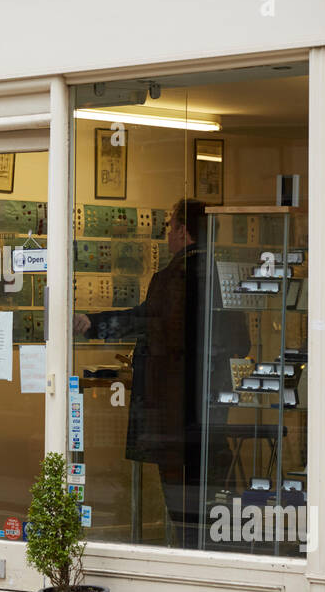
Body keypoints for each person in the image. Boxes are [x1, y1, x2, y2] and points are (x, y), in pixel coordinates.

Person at [74, 198, 244, 547]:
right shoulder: (221, 275)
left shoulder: (173, 277)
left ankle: (188, 552)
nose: (167, 235)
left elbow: (147, 322)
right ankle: (206, 547)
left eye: (170, 227)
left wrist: (95, 323)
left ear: (182, 231)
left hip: (172, 404)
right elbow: (241, 342)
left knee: (180, 492)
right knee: (207, 486)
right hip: (212, 400)